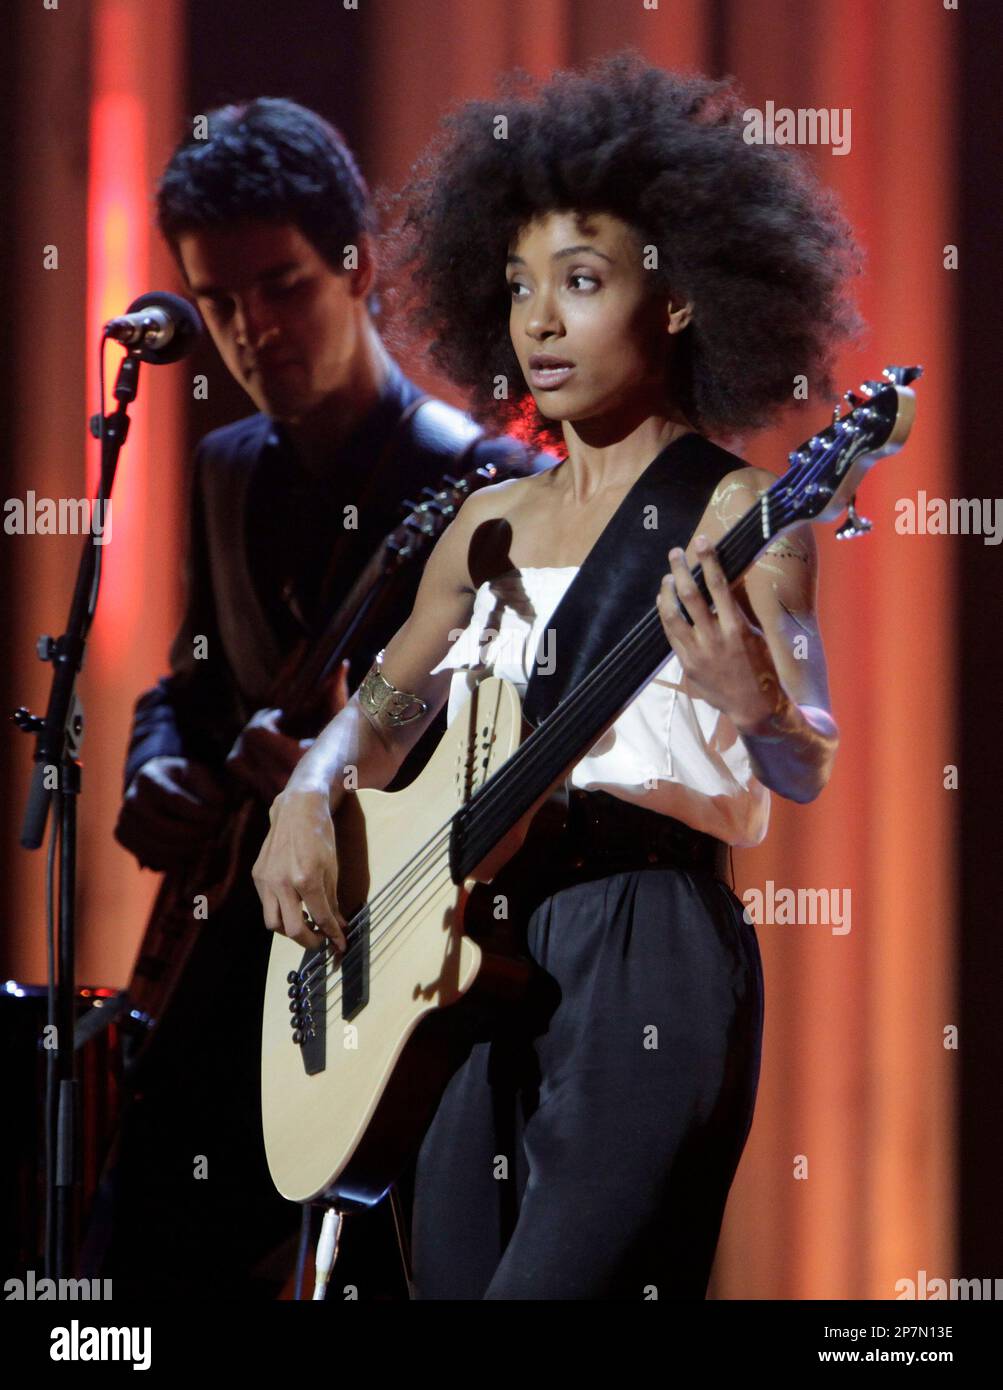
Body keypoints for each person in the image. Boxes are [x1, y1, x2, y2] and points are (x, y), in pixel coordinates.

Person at [251, 53, 864, 1299]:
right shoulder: (483, 524)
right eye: (521, 285)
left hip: (646, 935)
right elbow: (382, 717)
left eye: (581, 282)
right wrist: (308, 793)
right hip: (459, 941)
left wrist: (756, 702)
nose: (539, 320)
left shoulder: (744, 512)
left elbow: (805, 756)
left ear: (676, 299)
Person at [85, 97, 543, 1300]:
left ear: (359, 264)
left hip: (383, 987)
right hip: (226, 964)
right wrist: (155, 764)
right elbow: (191, 684)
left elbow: (510, 756)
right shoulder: (224, 470)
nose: (251, 331)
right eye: (219, 300)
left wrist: (347, 771)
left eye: (282, 286)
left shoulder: (489, 482)